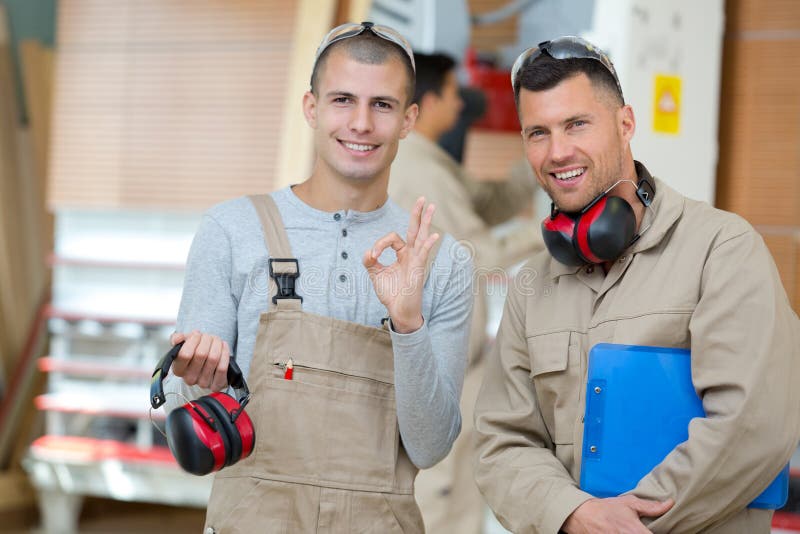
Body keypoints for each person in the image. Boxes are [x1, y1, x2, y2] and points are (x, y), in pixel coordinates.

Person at [473, 35, 800, 534]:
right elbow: (502, 443)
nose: (558, 151)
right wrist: (575, 514)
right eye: (538, 132)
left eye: (576, 124)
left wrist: (626, 522)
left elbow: (752, 426)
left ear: (626, 124)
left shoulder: (722, 249)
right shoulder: (532, 286)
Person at [162, 22, 473, 533]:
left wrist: (408, 327)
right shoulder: (233, 230)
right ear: (311, 107)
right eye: (343, 99)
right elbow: (186, 420)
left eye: (382, 105)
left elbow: (431, 446)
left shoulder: (442, 261)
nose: (360, 123)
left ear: (408, 120)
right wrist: (203, 383)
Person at [389, 51, 542, 534]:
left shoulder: (433, 164)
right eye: (456, 95)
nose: (461, 107)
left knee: (457, 483)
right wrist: (555, 228)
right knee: (442, 487)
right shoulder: (419, 168)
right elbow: (479, 250)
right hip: (438, 358)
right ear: (428, 101)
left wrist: (538, 148)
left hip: (452, 357)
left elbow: (484, 204)